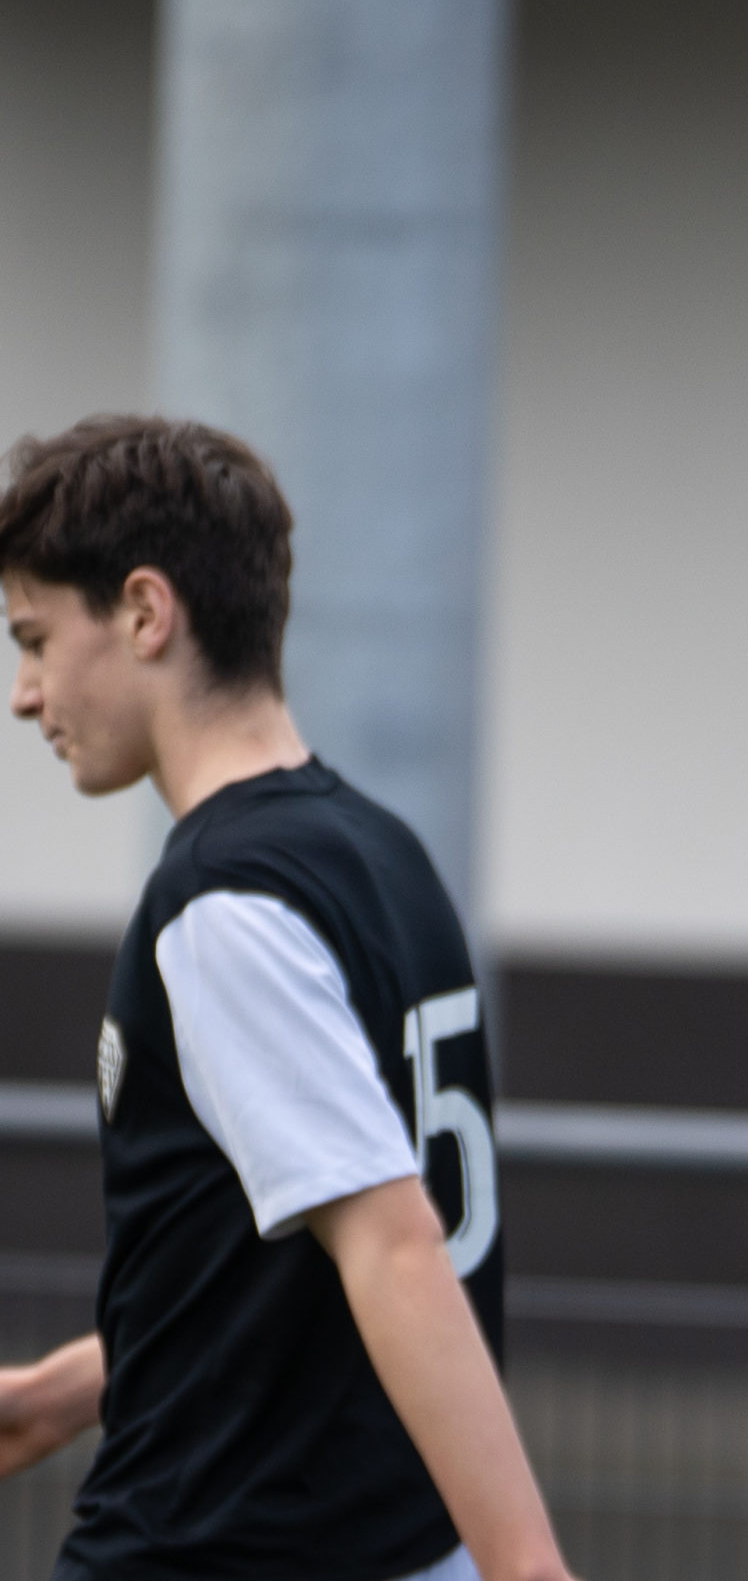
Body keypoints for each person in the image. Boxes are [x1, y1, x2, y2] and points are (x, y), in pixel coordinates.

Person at [0, 418, 570, 1581]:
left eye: (35, 638)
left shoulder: (223, 902)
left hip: (224, 1544)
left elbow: (395, 1247)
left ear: (147, 612)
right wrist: (64, 1391)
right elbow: (290, 1249)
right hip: (397, 1537)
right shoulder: (378, 847)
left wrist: (530, 1568)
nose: (25, 693)